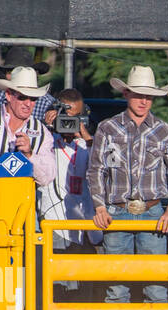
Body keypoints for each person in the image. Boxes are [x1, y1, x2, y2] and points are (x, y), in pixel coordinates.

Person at [87, 65, 168, 304]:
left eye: (148, 96)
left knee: (156, 287)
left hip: (153, 211)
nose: (144, 101)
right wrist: (100, 207)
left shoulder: (165, 132)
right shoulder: (107, 128)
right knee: (116, 288)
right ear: (126, 94)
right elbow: (96, 170)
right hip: (116, 211)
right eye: (139, 94)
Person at [38, 88, 100, 273]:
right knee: (59, 280)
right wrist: (45, 125)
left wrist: (86, 136)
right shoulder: (46, 138)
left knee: (86, 282)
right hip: (56, 221)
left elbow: (105, 164)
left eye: (77, 117)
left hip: (87, 222)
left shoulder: (89, 143)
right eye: (66, 116)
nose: (70, 122)